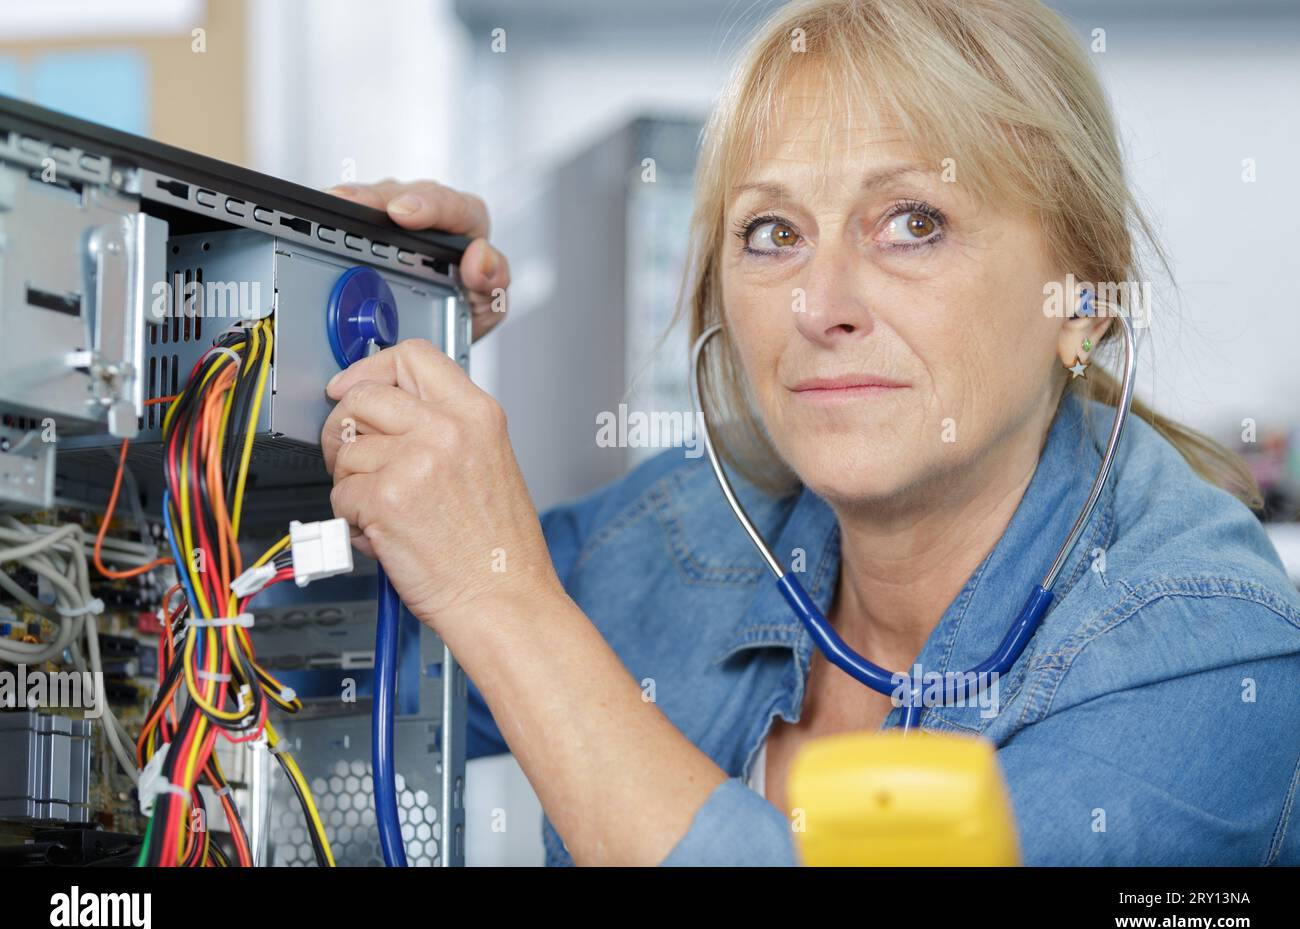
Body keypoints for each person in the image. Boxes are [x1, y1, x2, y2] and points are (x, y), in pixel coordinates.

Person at [321, 0, 1300, 866]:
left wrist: (502, 598)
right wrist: (372, 353)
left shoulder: (1209, 647)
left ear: (1082, 301)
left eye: (913, 221)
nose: (817, 304)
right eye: (772, 233)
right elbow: (297, 647)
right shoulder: (683, 529)